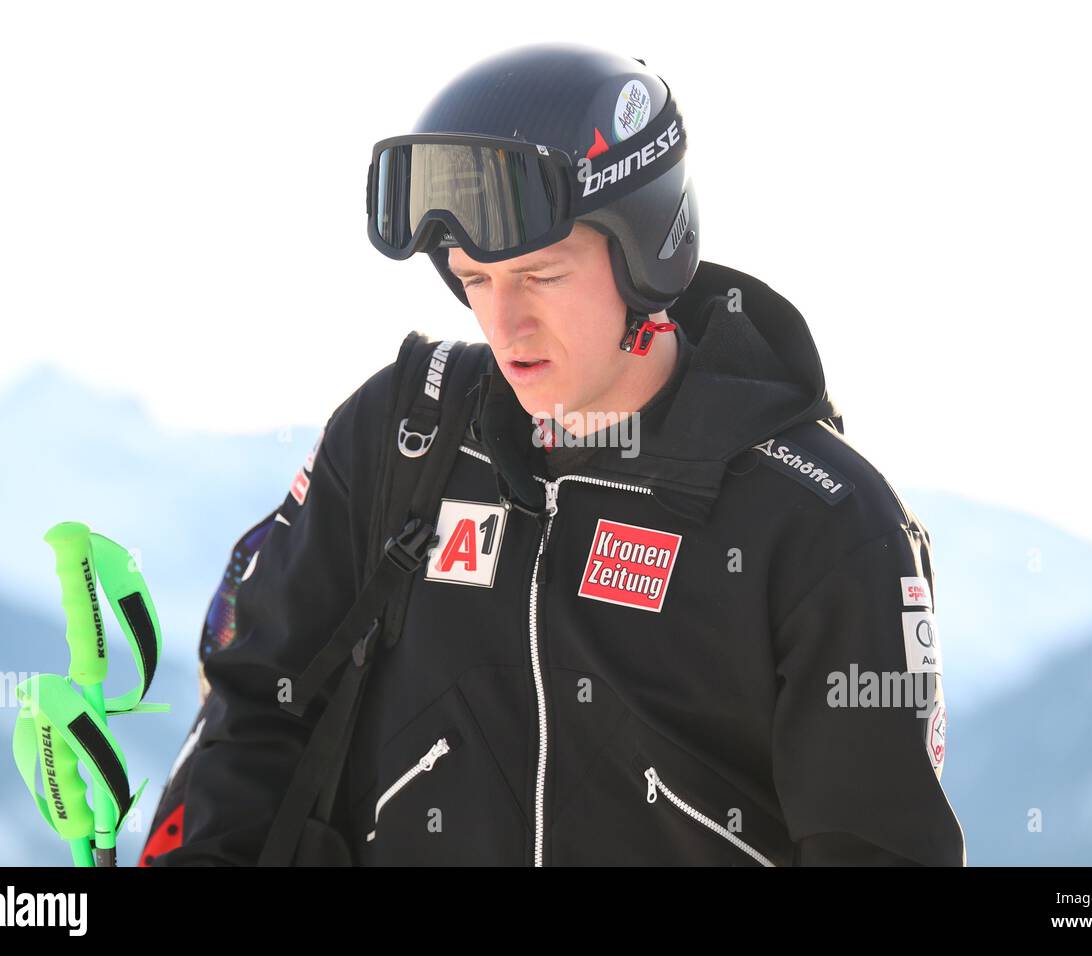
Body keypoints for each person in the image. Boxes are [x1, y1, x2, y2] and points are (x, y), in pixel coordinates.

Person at [154, 41, 966, 866]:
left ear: (648, 258)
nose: (506, 328)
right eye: (474, 281)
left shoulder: (821, 525)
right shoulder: (403, 433)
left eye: (540, 277)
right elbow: (254, 706)